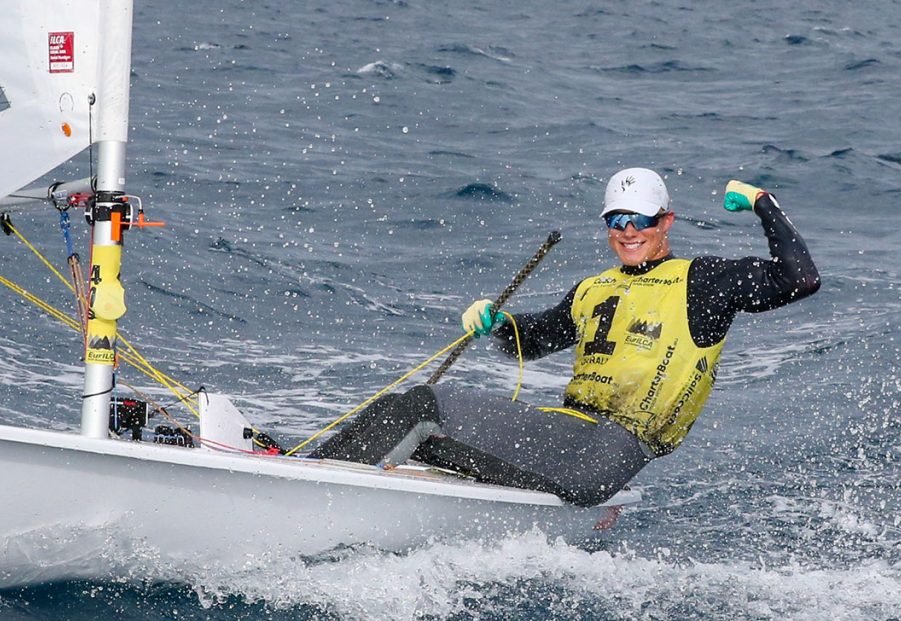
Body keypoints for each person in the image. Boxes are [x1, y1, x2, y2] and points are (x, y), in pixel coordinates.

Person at [311, 168, 820, 506]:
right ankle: (336, 479)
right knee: (420, 429)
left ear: (665, 221)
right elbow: (528, 342)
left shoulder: (702, 281)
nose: (627, 231)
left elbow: (801, 278)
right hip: (564, 434)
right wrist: (497, 322)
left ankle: (307, 480)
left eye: (639, 219)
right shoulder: (593, 289)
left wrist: (762, 203)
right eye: (616, 220)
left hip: (609, 449)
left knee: (423, 408)